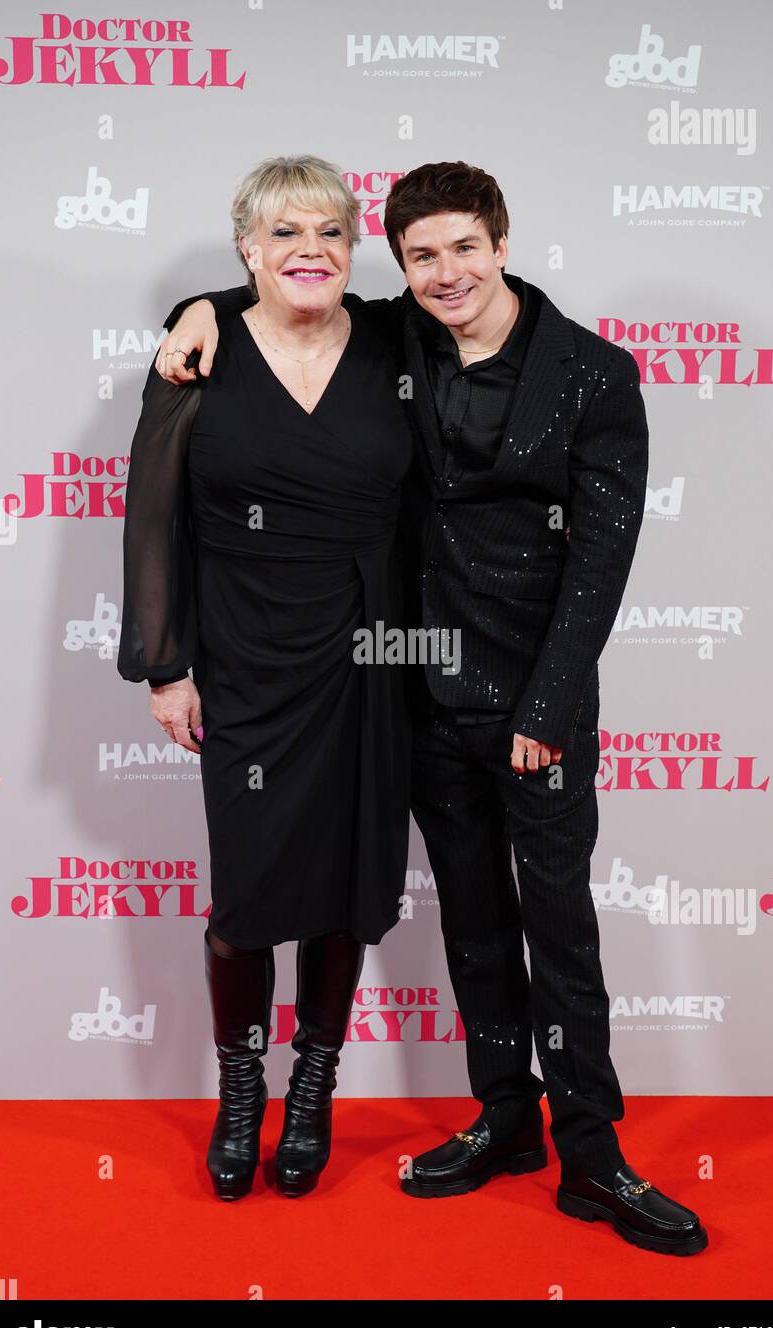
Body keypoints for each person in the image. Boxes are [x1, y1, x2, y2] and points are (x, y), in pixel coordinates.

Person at [156, 161, 707, 1255]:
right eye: (421, 257)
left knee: (561, 933)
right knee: (470, 924)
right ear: (398, 268)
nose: (445, 273)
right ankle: (505, 1121)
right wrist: (199, 307)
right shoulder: (394, 340)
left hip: (533, 697)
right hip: (410, 682)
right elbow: (290, 295)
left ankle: (594, 1157)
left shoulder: (594, 376)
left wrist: (547, 705)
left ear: (502, 243)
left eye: (463, 248)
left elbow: (602, 562)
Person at [117, 155, 414, 1202]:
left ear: (352, 248)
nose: (309, 251)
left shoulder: (393, 342)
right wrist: (166, 665)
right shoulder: (198, 354)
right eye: (284, 233)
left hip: (372, 656)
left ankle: (316, 1083)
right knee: (248, 896)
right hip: (244, 655)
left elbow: (490, 313)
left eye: (330, 232)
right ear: (246, 248)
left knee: (343, 882)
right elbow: (152, 511)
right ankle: (243, 1086)